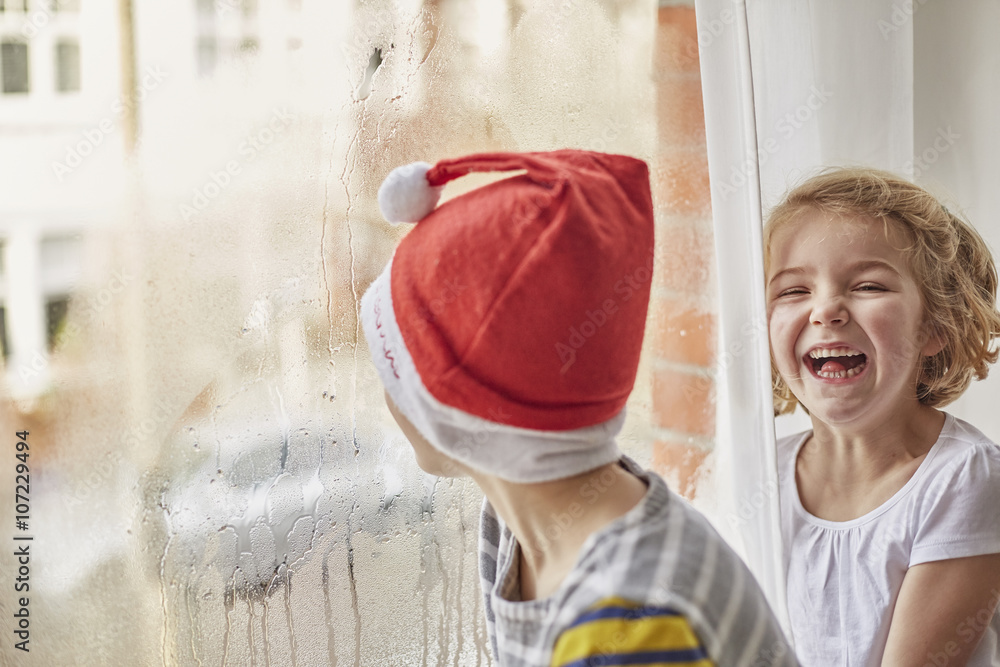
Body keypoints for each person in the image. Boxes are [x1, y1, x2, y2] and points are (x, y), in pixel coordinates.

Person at [360, 150, 797, 667]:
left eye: (392, 369)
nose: (382, 387)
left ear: (454, 411)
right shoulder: (517, 529)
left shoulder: (630, 626)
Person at [765, 167, 1000, 666]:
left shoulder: (964, 477)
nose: (825, 310)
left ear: (935, 325)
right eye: (792, 291)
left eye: (868, 286)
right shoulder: (762, 473)